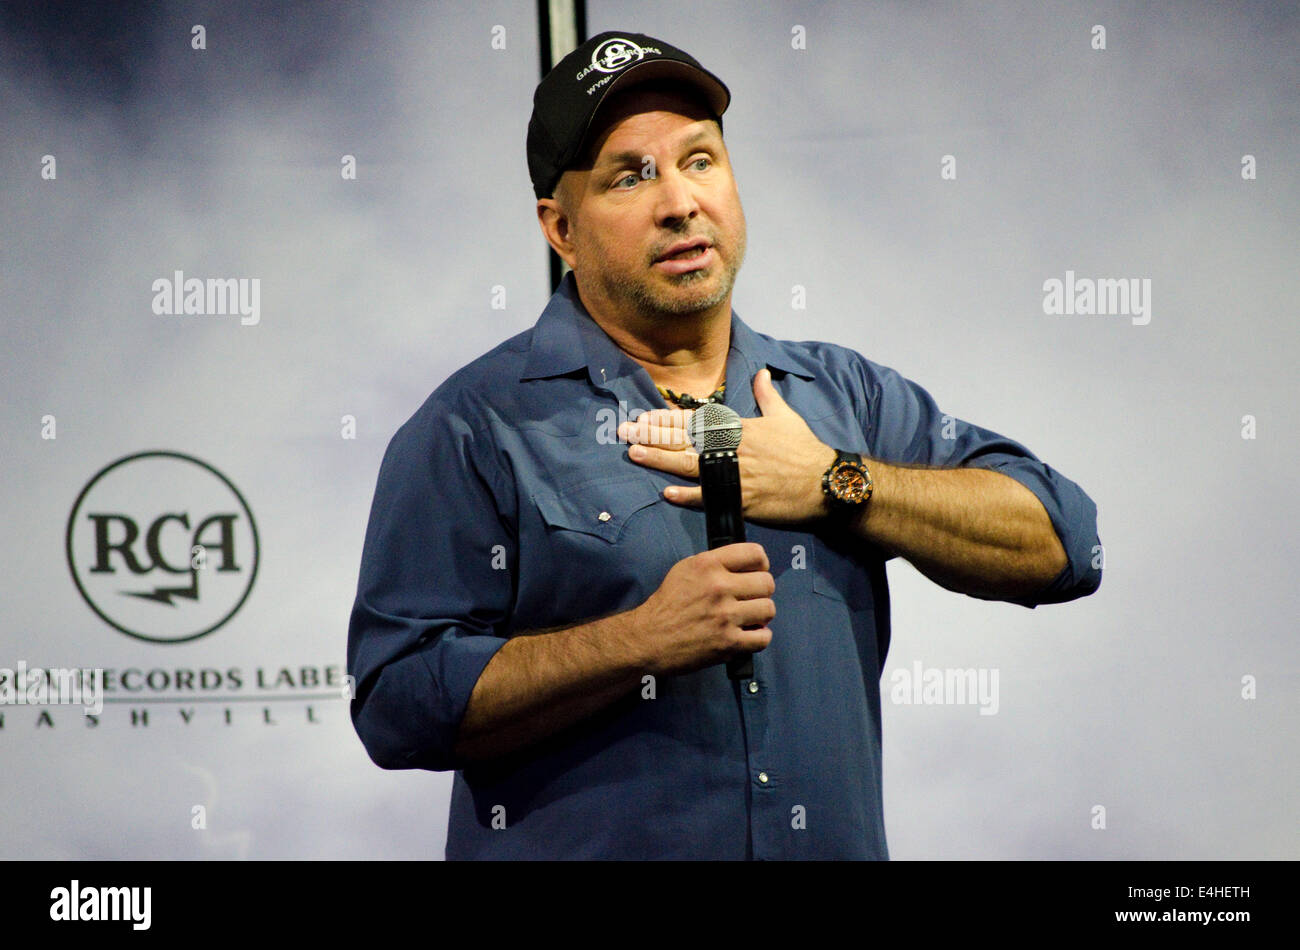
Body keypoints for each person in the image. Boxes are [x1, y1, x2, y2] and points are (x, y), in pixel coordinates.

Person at [346, 31, 1102, 860]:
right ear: (559, 229)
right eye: (630, 176)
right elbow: (396, 702)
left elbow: (1066, 542)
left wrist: (837, 483)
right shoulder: (475, 424)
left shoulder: (838, 396)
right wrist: (637, 642)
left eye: (699, 161)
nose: (679, 202)